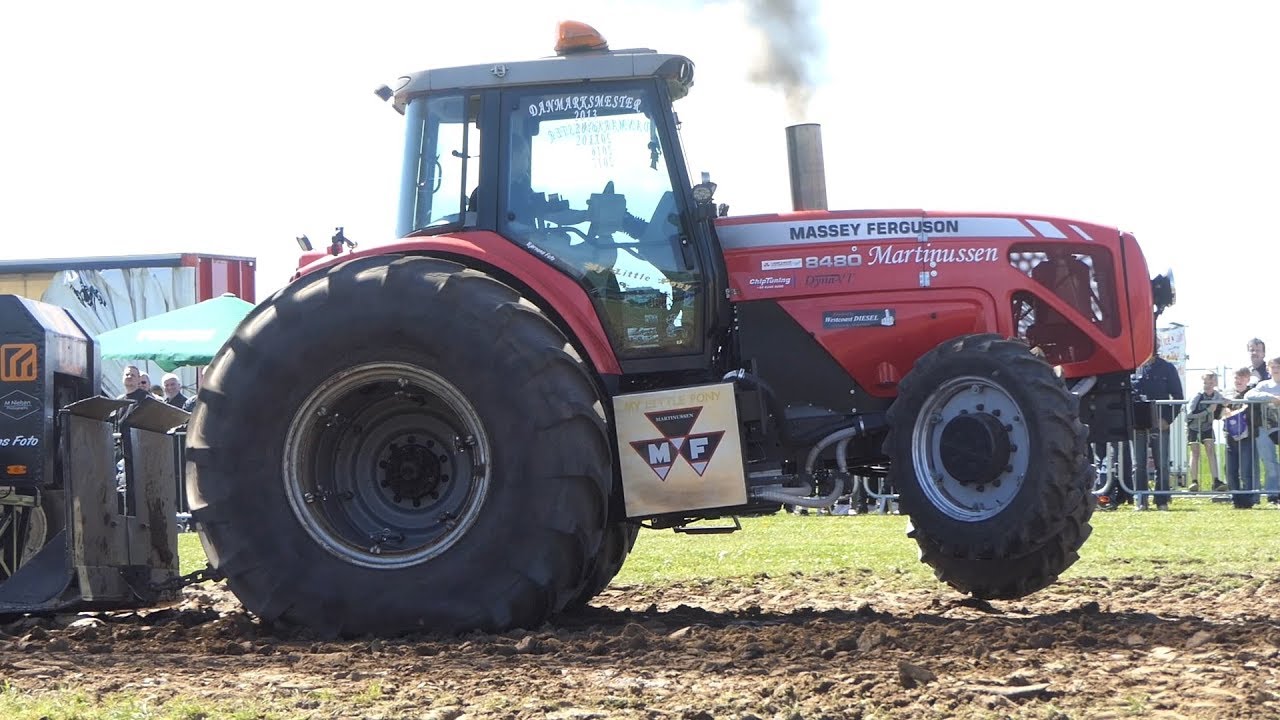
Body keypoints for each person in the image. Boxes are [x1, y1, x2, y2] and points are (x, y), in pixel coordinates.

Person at [1132, 340, 1183, 510]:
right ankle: (1141, 500)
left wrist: (1168, 419)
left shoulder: (1167, 368)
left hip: (1160, 422)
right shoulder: (1133, 368)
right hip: (1138, 423)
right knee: (1139, 464)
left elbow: (1178, 397)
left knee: (1162, 463)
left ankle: (1161, 500)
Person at [1244, 356, 1280, 507]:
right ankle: (1273, 496)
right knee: (1270, 462)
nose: (1276, 369)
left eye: (1278, 366)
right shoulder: (1263, 385)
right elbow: (1248, 396)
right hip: (1265, 428)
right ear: (1268, 369)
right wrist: (1270, 397)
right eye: (1273, 367)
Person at [1222, 367, 1259, 509]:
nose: (1239, 380)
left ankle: (1249, 499)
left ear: (1248, 379)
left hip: (1246, 437)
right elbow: (1222, 413)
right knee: (1230, 470)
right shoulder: (1228, 394)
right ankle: (1236, 499)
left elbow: (1250, 413)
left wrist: (1233, 410)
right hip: (1230, 437)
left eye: (1242, 377)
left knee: (1246, 471)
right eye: (1237, 377)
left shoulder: (1252, 394)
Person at [1184, 372, 1226, 492]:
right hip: (1194, 427)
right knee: (1195, 452)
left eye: (1211, 383)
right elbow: (1189, 415)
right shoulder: (1198, 396)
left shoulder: (1217, 395)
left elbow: (1217, 416)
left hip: (1207, 426)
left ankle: (1216, 481)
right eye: (1205, 382)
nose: (1208, 385)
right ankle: (1194, 482)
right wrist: (1207, 411)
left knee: (1210, 450)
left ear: (1215, 383)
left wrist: (1223, 405)